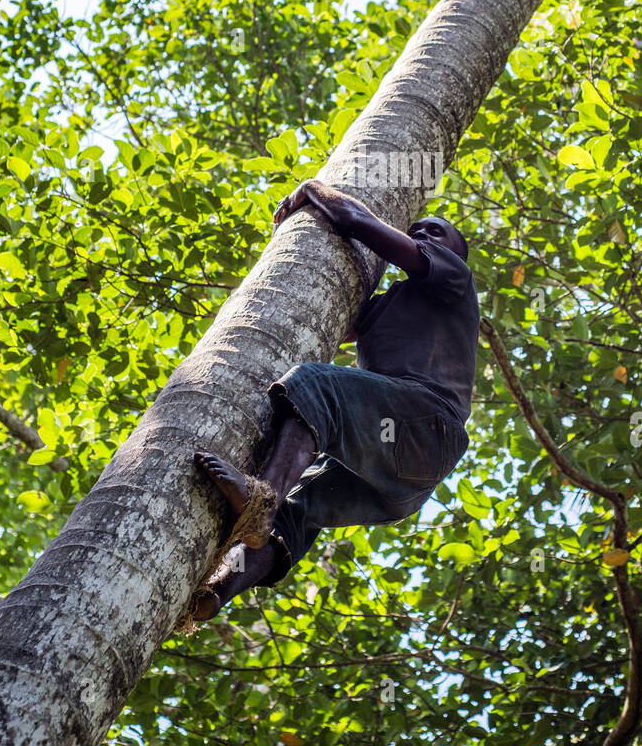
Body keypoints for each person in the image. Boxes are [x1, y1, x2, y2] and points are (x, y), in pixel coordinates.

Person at [191, 178, 479, 619]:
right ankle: (213, 596)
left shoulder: (453, 276)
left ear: (453, 253)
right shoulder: (394, 305)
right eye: (417, 227)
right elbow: (328, 317)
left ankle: (259, 499)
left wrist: (311, 188)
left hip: (427, 420)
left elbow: (354, 218)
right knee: (297, 512)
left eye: (435, 231)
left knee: (317, 387)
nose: (422, 233)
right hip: (403, 478)